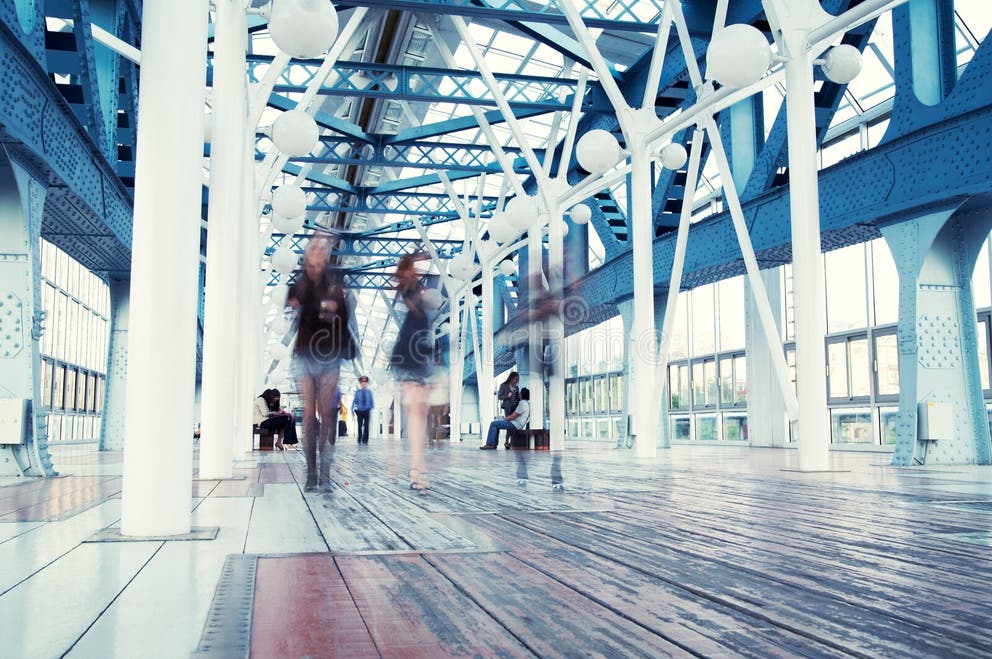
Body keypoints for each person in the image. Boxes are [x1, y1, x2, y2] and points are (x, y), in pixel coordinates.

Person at [287, 236, 356, 493]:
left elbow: (345, 319)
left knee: (327, 412)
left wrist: (333, 311)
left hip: (329, 355)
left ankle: (325, 471)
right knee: (308, 413)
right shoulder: (299, 288)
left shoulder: (336, 290)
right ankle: (311, 472)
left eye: (319, 258)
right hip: (306, 354)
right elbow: (295, 309)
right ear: (306, 260)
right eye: (311, 259)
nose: (314, 264)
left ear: (325, 260)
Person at [389, 253, 434, 494]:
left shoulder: (417, 293)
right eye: (413, 269)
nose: (416, 272)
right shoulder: (409, 293)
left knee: (419, 415)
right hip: (408, 358)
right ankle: (418, 471)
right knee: (417, 414)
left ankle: (418, 470)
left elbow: (423, 328)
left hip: (418, 356)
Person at [496, 372, 520, 448]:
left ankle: (512, 442)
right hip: (508, 408)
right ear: (511, 378)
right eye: (515, 379)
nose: (516, 380)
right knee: (509, 425)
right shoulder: (504, 386)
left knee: (514, 425)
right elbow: (499, 397)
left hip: (515, 408)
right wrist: (507, 396)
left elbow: (517, 399)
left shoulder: (517, 388)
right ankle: (507, 442)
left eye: (517, 379)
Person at [352, 375, 374, 444]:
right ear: (360, 384)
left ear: (367, 384)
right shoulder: (357, 392)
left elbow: (371, 401)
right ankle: (359, 438)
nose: (364, 384)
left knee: (366, 426)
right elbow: (355, 401)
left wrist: (371, 407)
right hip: (359, 411)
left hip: (367, 410)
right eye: (362, 383)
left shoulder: (369, 392)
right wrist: (353, 409)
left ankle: (365, 440)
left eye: (365, 383)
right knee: (360, 425)